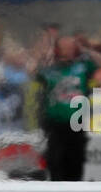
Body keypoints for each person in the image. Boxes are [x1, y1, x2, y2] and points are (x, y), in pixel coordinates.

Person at [35, 36, 96, 182]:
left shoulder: (83, 67)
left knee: (75, 164)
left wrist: (85, 50)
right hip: (55, 125)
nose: (67, 52)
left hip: (76, 124)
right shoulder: (48, 71)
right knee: (56, 163)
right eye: (63, 48)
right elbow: (31, 72)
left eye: (70, 48)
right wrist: (43, 53)